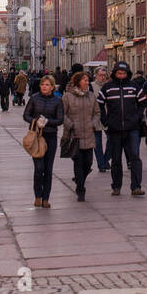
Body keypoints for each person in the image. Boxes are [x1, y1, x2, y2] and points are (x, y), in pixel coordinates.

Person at [99, 62, 146, 196]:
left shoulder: (134, 87)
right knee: (116, 159)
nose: (121, 76)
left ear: (128, 74)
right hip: (115, 129)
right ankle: (116, 186)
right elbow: (99, 105)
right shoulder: (107, 88)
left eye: (124, 73)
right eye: (119, 73)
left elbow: (143, 102)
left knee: (135, 157)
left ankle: (136, 186)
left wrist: (137, 117)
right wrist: (106, 121)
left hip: (132, 129)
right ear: (114, 74)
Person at [23, 73, 64, 207]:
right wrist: (35, 121)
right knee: (38, 168)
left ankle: (46, 198)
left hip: (50, 136)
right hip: (37, 137)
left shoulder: (58, 101)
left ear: (52, 87)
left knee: (48, 168)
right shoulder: (34, 98)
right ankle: (37, 196)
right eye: (42, 85)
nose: (44, 87)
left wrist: (47, 122)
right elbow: (26, 115)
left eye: (47, 85)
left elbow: (60, 119)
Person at [62, 70, 101, 202]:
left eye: (88, 80)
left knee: (88, 163)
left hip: (89, 134)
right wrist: (70, 124)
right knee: (78, 163)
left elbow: (97, 112)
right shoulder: (68, 96)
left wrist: (94, 124)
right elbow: (62, 113)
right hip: (75, 136)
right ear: (78, 82)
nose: (87, 82)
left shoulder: (91, 96)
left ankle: (80, 180)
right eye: (85, 80)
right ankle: (80, 188)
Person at [92, 67, 111, 172]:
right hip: (95, 118)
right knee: (97, 143)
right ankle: (101, 165)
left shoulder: (109, 87)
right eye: (100, 75)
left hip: (108, 118)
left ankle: (105, 159)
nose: (103, 77)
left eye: (104, 75)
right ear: (96, 75)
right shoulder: (91, 86)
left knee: (112, 140)